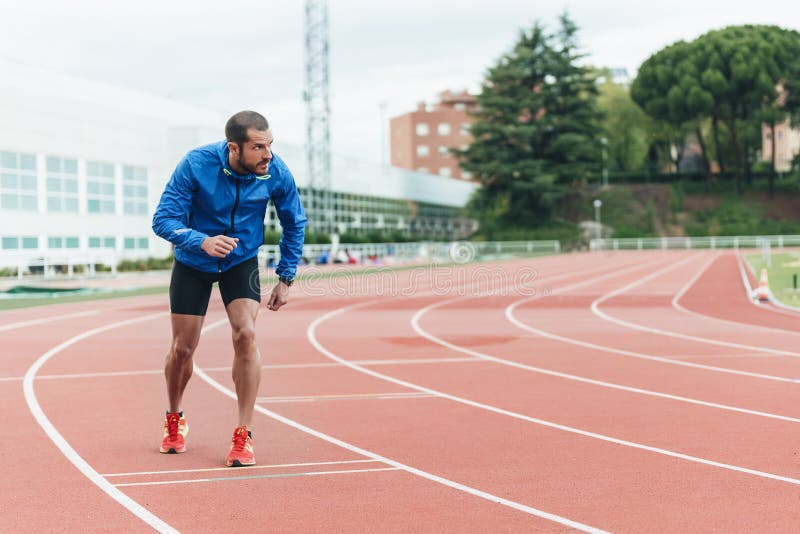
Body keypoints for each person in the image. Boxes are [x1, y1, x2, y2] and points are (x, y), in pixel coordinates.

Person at [152, 110, 306, 467]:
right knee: (182, 348)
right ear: (233, 149)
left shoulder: (275, 170)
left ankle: (243, 433)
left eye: (270, 145)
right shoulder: (196, 164)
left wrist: (286, 277)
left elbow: (293, 221)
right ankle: (174, 417)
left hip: (241, 260)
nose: (268, 154)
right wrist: (201, 241)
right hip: (194, 262)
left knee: (246, 335)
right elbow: (163, 219)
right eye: (258, 147)